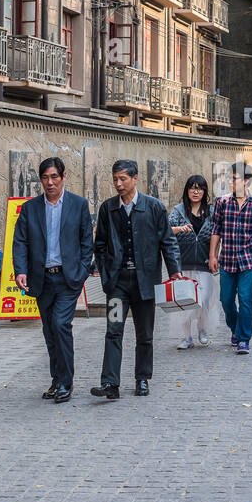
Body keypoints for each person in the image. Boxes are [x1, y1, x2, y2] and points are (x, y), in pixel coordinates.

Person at [92, 160, 184, 399]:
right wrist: (106, 275)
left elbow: (167, 240)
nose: (118, 184)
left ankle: (142, 378)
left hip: (145, 283)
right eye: (115, 179)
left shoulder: (153, 207)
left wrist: (174, 269)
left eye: (123, 179)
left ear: (135, 179)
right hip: (117, 285)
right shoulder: (108, 209)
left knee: (144, 333)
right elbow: (99, 245)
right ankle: (110, 383)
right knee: (113, 330)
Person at [12, 157, 94, 404]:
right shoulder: (30, 208)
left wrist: (81, 273)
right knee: (49, 331)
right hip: (42, 279)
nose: (49, 183)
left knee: (60, 324)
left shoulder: (78, 205)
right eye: (45, 178)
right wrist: (21, 271)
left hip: (68, 279)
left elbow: (86, 242)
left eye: (54, 177)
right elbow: (20, 241)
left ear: (63, 176)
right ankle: (56, 380)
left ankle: (66, 382)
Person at [209, 161, 252, 355]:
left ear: (245, 181)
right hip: (227, 260)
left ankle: (244, 338)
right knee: (226, 300)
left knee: (245, 300)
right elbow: (216, 230)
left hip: (248, 261)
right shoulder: (222, 203)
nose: (230, 181)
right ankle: (235, 328)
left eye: (234, 178)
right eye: (228, 177)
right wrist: (212, 255)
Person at [169, 174, 216, 349]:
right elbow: (165, 230)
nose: (196, 192)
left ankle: (202, 330)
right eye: (192, 188)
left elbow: (217, 235)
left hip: (204, 263)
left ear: (205, 191)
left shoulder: (211, 212)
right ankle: (186, 337)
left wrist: (215, 256)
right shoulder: (178, 210)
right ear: (187, 190)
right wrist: (179, 228)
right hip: (183, 263)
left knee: (202, 299)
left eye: (200, 188)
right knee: (184, 300)